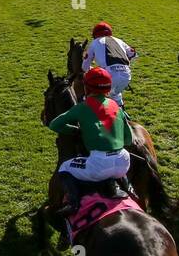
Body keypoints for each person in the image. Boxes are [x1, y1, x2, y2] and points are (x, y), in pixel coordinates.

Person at [47, 67, 133, 214]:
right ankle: (128, 188)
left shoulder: (82, 107)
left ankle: (73, 203)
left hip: (98, 165)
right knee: (118, 160)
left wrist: (76, 130)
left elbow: (54, 124)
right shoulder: (117, 107)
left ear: (86, 88)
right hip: (123, 162)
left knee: (65, 168)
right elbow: (128, 139)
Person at [82, 21, 137, 107]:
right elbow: (133, 54)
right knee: (115, 94)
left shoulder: (94, 43)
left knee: (93, 97)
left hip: (109, 77)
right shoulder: (119, 40)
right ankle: (122, 115)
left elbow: (84, 67)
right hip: (126, 76)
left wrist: (94, 70)